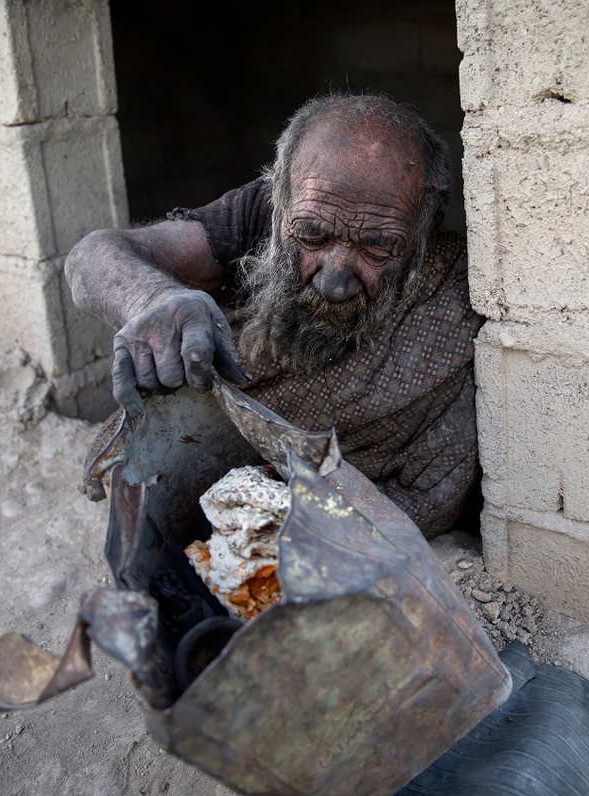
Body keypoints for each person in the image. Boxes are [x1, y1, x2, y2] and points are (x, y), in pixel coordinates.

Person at [64, 95, 482, 537]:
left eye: (377, 247)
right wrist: (152, 297)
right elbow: (91, 256)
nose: (334, 282)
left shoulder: (450, 284)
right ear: (278, 200)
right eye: (312, 237)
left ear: (422, 231)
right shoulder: (260, 211)